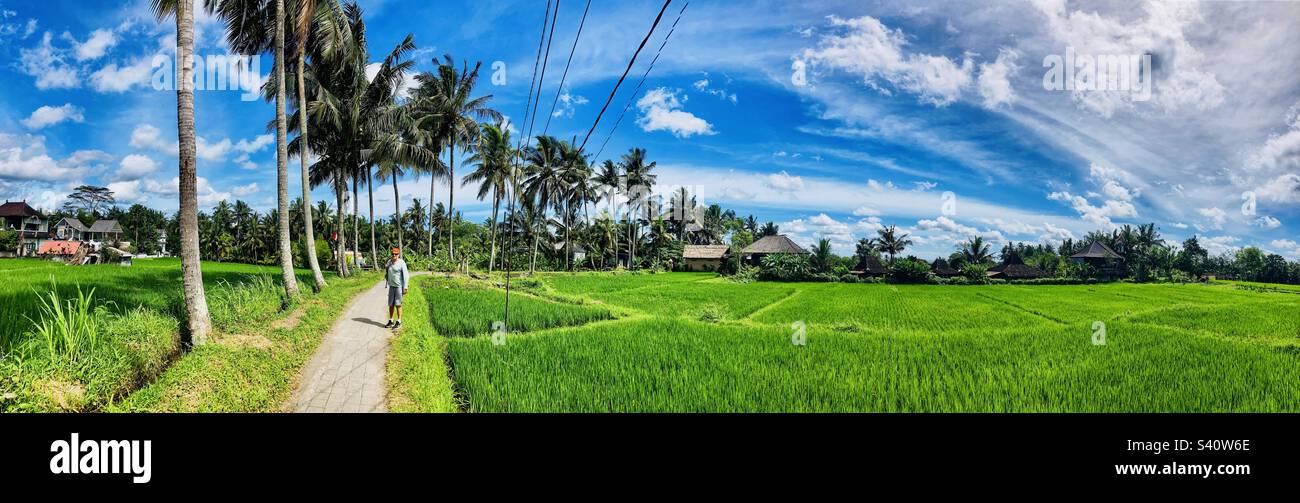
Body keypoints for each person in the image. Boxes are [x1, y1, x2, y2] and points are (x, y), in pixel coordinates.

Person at [384, 247, 409, 329]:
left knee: (398, 304)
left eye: (396, 254)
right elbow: (387, 269)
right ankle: (391, 320)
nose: (394, 255)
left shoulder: (402, 263)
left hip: (399, 286)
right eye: (393, 254)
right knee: (390, 304)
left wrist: (405, 287)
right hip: (391, 286)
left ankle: (399, 321)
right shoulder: (389, 262)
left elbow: (406, 275)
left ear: (398, 255)